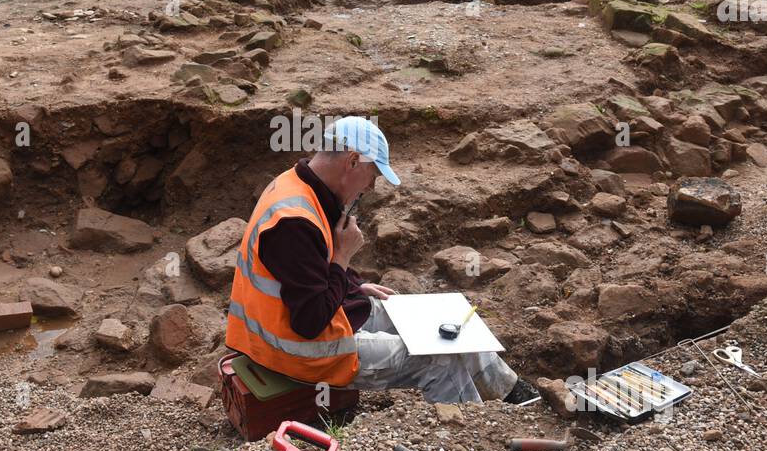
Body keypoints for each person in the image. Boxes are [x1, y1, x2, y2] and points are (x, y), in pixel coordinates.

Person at [225, 115, 538, 405]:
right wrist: (343, 257)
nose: (372, 187)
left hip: (310, 321)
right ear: (352, 161)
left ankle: (516, 395)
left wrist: (351, 285)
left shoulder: (301, 185)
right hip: (299, 349)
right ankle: (474, 439)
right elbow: (309, 322)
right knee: (438, 358)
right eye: (373, 174)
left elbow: (306, 273)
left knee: (443, 322)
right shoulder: (292, 221)